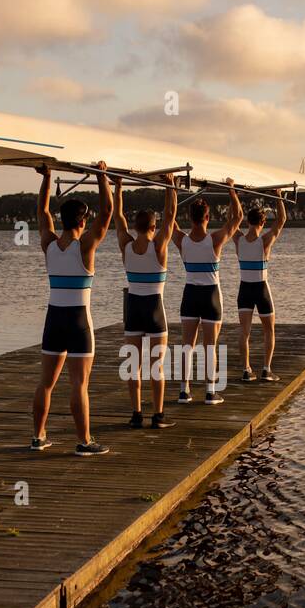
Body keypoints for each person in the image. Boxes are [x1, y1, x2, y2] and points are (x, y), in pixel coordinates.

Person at [31, 162, 113, 455]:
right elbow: (106, 214)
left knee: (46, 383)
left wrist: (47, 178)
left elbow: (41, 213)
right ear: (82, 222)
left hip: (53, 320)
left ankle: (39, 437)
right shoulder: (86, 247)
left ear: (62, 220)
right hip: (79, 323)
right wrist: (103, 177)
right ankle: (84, 441)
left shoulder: (48, 244)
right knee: (79, 385)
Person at [114, 172, 177, 429]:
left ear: (136, 226)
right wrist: (169, 185)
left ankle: (136, 414)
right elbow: (171, 215)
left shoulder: (126, 246)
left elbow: (117, 218)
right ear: (153, 227)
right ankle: (158, 416)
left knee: (133, 366)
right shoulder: (159, 247)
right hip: (154, 311)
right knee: (156, 367)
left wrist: (116, 188)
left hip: (133, 311)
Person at [171, 180, 242, 404]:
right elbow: (237, 218)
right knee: (210, 346)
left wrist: (171, 189)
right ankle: (210, 392)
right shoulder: (215, 240)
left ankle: (184, 391)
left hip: (190, 295)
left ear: (190, 218)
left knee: (187, 345)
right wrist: (231, 190)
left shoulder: (182, 240)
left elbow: (169, 219)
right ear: (207, 217)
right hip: (211, 295)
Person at [234, 189, 287, 382]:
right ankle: (266, 369)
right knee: (269, 330)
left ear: (248, 221)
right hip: (261, 289)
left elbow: (233, 218)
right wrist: (279, 196)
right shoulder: (265, 241)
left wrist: (234, 195)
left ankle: (246, 370)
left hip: (244, 289)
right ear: (263, 223)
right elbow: (281, 220)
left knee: (244, 331)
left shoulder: (238, 239)